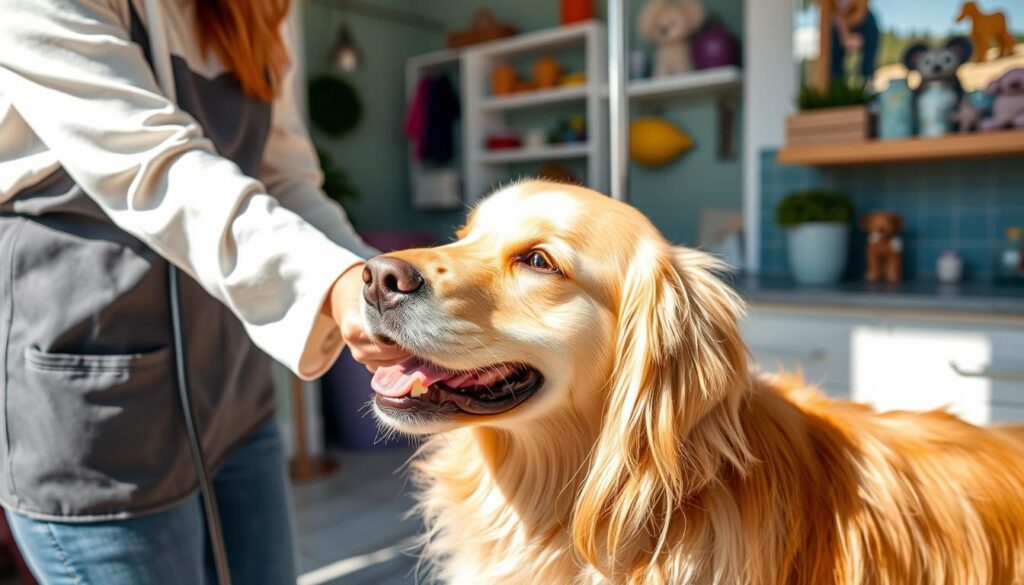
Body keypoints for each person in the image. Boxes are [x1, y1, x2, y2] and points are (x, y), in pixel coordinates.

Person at [0, 0, 409, 582]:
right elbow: (153, 164)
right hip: (101, 426)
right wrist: (339, 289)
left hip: (235, 401)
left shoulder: (258, 13)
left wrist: (372, 283)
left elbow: (286, 177)